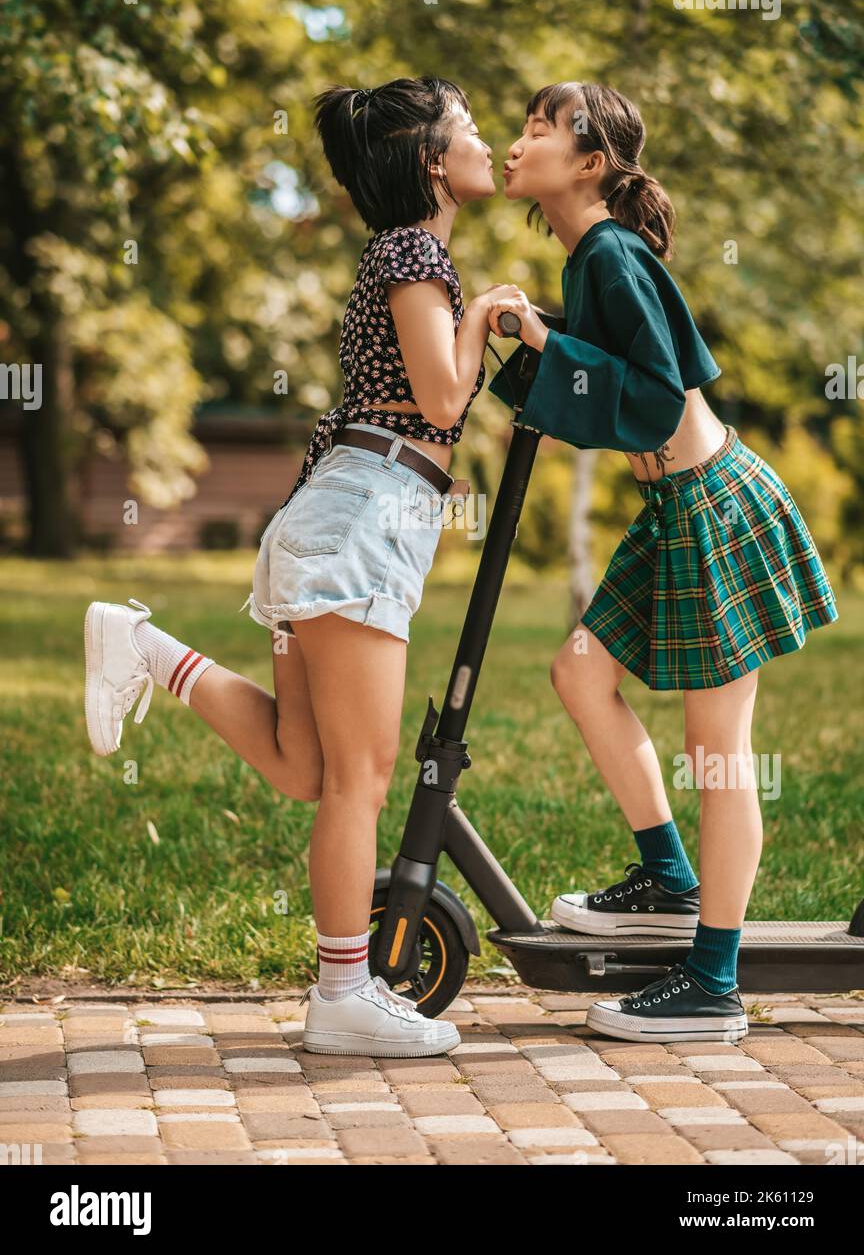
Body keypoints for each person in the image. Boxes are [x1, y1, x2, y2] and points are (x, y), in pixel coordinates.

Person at [83, 76, 501, 1057]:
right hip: (360, 522)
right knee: (359, 774)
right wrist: (485, 311)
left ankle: (144, 647)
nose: (487, 140)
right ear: (433, 160)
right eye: (472, 127)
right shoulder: (412, 250)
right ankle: (343, 994)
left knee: (308, 765)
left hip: (336, 520)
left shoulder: (409, 251)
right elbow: (442, 401)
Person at [485, 80, 839, 1043]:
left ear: (590, 163)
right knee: (579, 670)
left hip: (714, 507)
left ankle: (713, 982)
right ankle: (671, 879)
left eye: (539, 129)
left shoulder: (608, 250)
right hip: (674, 506)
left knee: (718, 755)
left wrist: (538, 342)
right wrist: (537, 344)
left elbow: (653, 386)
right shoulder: (588, 256)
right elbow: (601, 388)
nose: (517, 144)